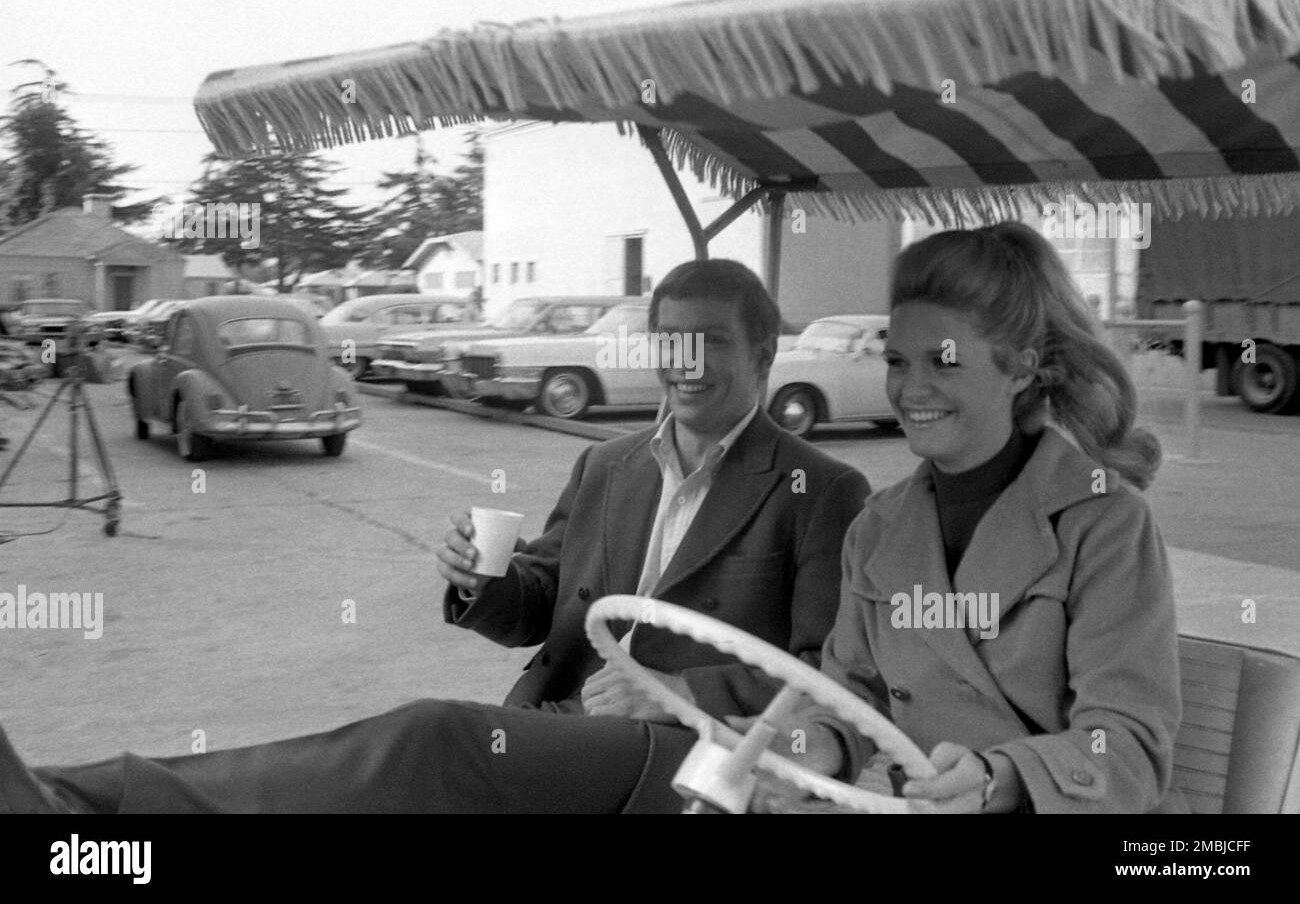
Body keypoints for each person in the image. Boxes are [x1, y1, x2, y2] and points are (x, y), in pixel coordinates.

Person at [0, 258, 870, 814]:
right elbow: (538, 602)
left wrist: (673, 696)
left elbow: (827, 680)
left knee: (427, 741)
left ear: (764, 356)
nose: (688, 361)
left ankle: (84, 808)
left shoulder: (822, 488)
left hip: (682, 758)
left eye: (713, 343)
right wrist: (476, 580)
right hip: (556, 723)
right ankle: (77, 807)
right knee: (373, 786)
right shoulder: (611, 464)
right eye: (671, 340)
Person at [750, 223, 1182, 814]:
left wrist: (997, 776)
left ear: (1022, 371)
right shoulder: (876, 529)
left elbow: (1128, 745)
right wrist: (811, 746)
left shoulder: (1104, 524)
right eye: (897, 361)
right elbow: (849, 698)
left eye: (944, 362)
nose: (911, 389)